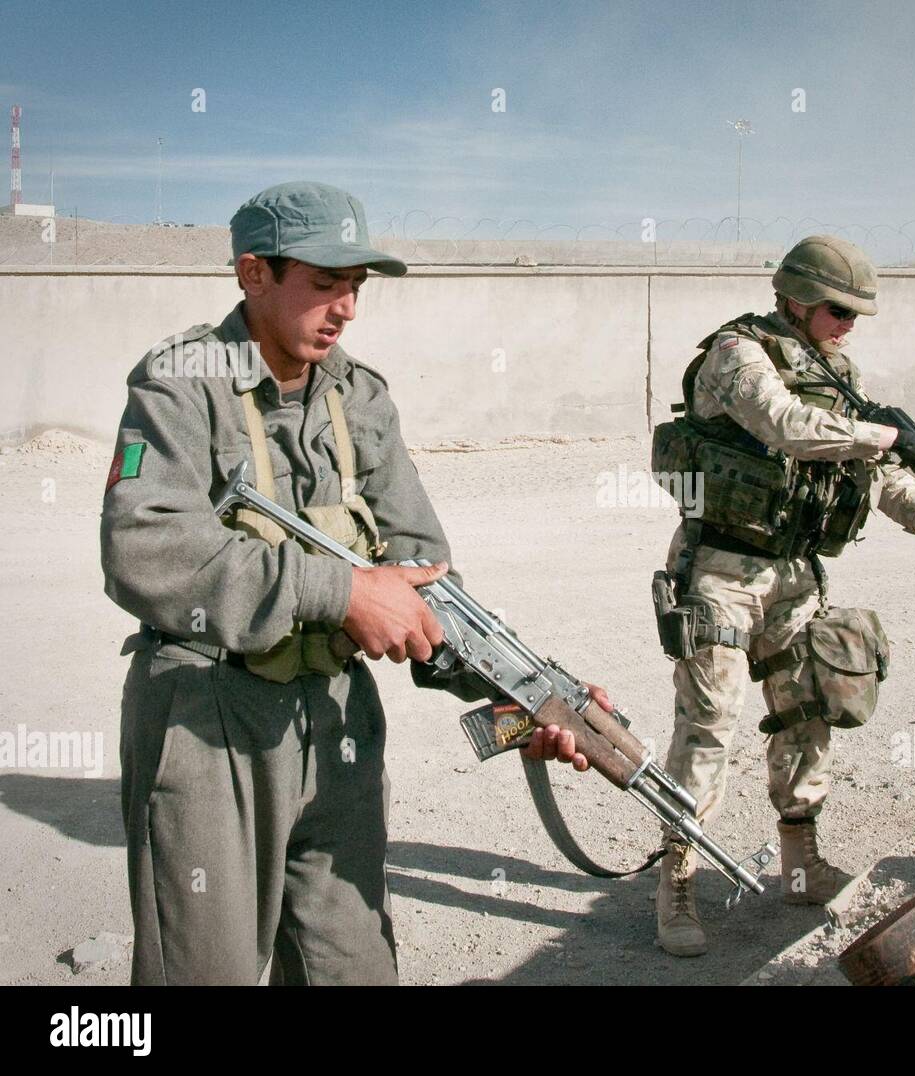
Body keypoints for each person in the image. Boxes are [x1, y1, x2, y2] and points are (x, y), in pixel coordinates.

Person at [101, 181, 594, 985]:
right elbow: (142, 547)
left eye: (356, 286)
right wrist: (339, 592)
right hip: (207, 719)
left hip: (336, 725)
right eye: (326, 283)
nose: (347, 309)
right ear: (253, 274)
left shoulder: (360, 398)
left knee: (353, 969)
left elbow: (423, 580)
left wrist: (523, 692)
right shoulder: (180, 381)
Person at [651, 235, 915, 956]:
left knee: (806, 713)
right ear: (796, 299)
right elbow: (790, 428)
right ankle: (678, 879)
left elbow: (864, 467)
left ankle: (801, 863)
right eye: (839, 309)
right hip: (722, 569)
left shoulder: (834, 370)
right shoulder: (738, 355)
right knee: (711, 723)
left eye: (858, 313)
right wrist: (891, 435)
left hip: (794, 572)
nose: (849, 324)